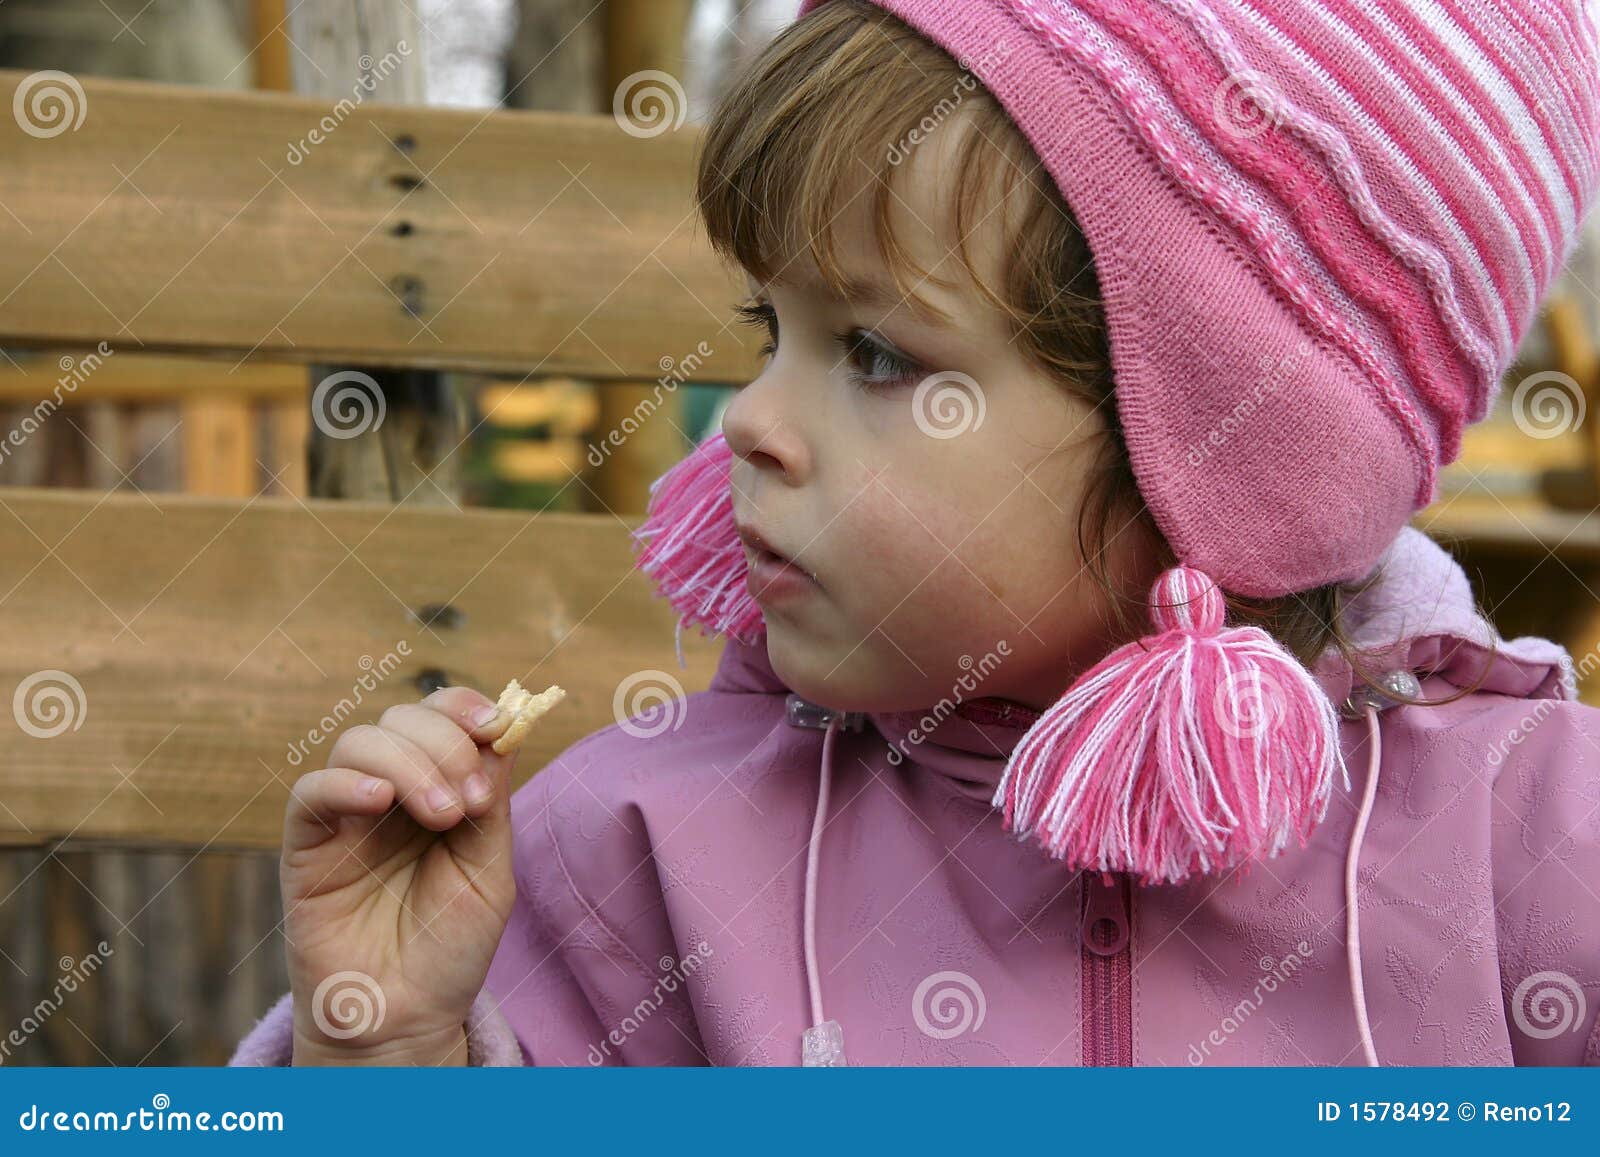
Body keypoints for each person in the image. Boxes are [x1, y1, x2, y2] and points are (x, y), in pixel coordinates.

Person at [232, 0, 1600, 1066]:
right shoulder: (639, 852)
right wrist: (388, 1042)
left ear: (1230, 449)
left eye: (877, 353)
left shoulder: (1527, 843)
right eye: (772, 332)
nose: (751, 422)